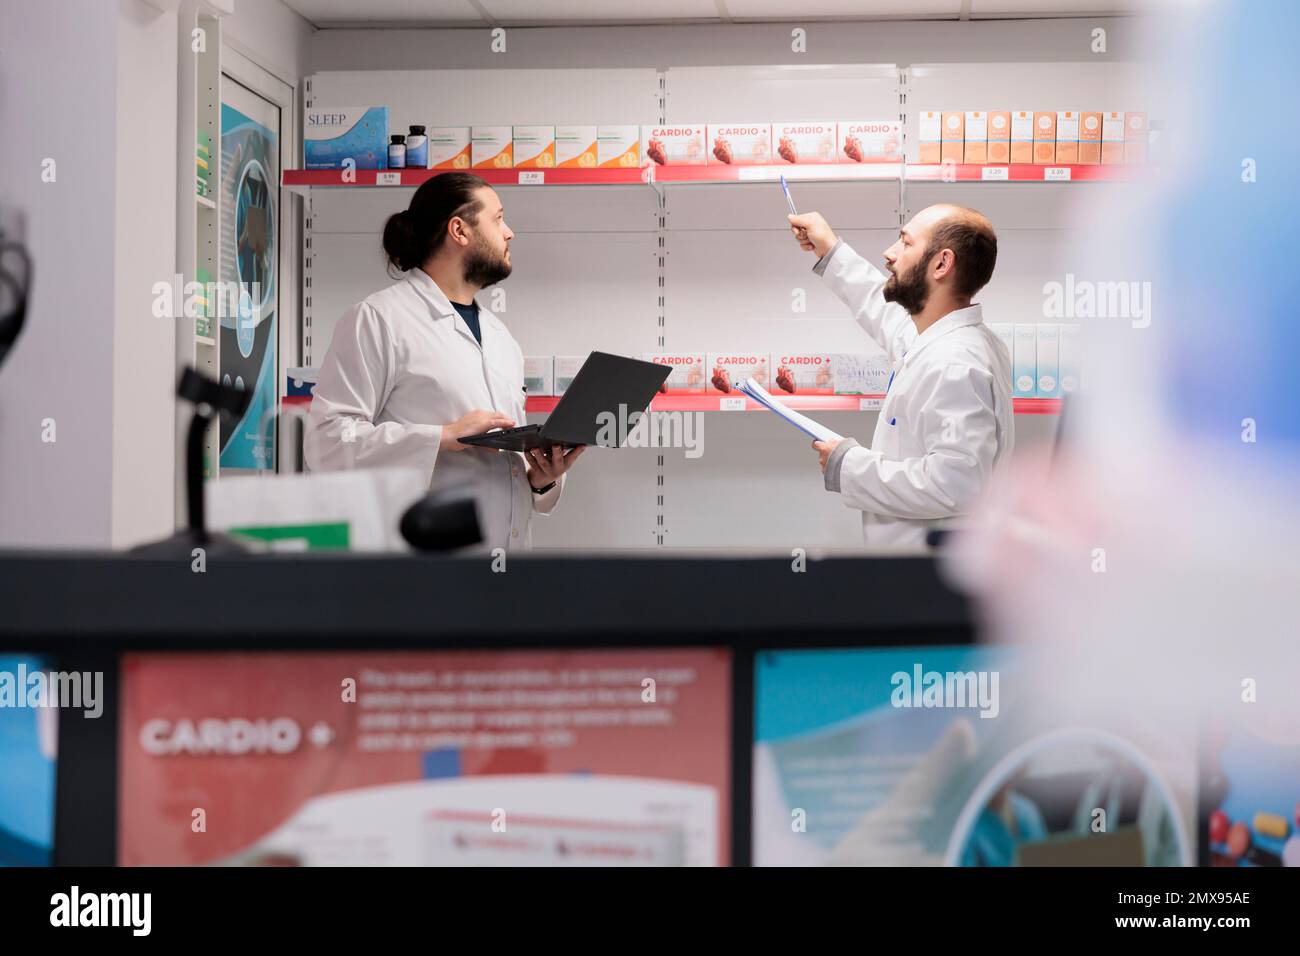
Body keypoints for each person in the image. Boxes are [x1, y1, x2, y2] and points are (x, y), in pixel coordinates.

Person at [305, 173, 583, 550]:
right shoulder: (378, 319)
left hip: (504, 569)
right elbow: (326, 443)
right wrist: (441, 437)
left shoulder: (501, 339)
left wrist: (541, 478)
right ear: (459, 230)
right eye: (498, 218)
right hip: (421, 568)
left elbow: (501, 468)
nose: (509, 232)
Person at [787, 205, 1014, 549]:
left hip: (930, 577)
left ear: (941, 263)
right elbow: (883, 313)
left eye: (905, 243)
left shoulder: (955, 362)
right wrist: (830, 249)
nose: (889, 254)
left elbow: (955, 484)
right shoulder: (938, 340)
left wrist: (849, 463)